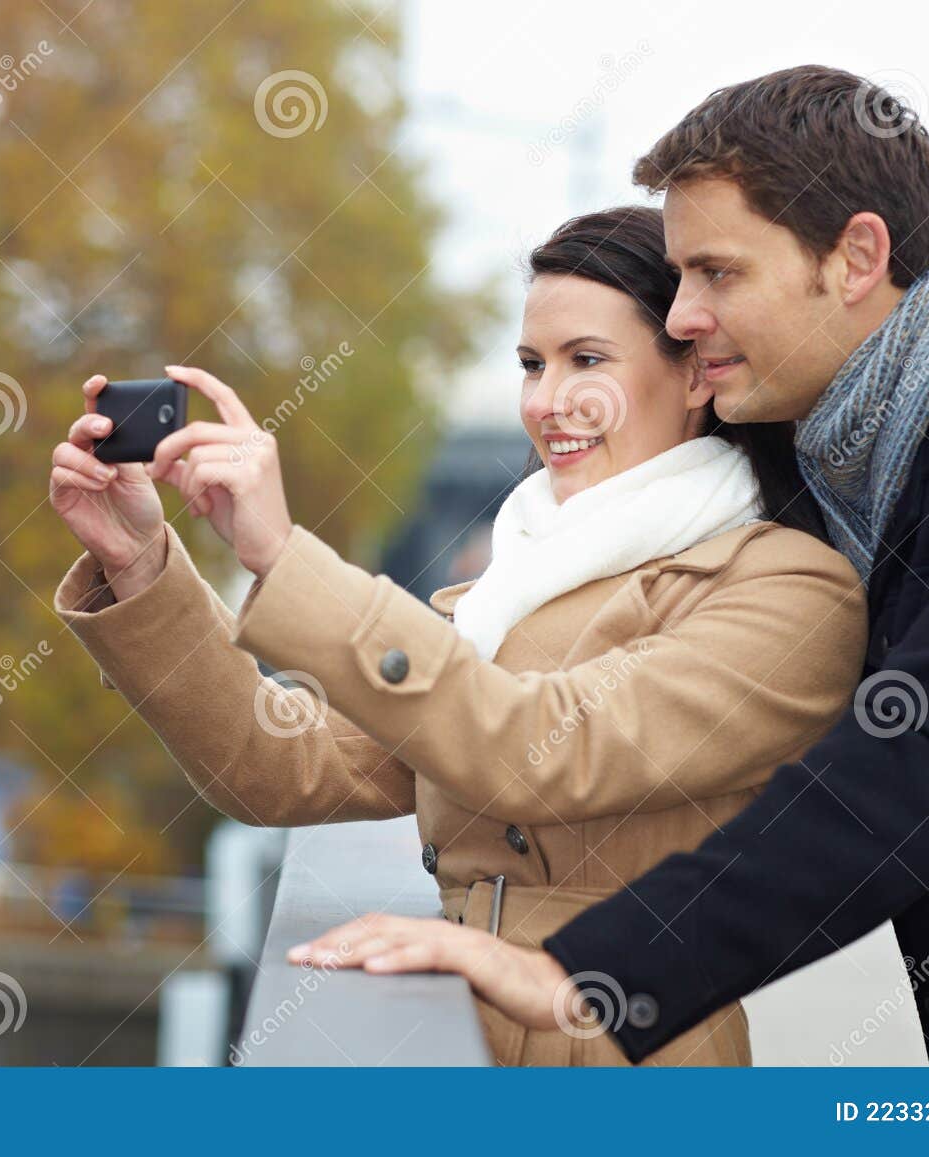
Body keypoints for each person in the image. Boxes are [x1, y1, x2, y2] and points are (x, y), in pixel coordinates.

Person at [296, 65, 929, 1066]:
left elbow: (919, 760)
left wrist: (586, 972)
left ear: (856, 257)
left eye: (718, 273)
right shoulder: (843, 449)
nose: (681, 315)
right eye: (679, 276)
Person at [49, 206, 868, 1065]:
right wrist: (143, 565)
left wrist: (283, 556)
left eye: (587, 360)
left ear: (696, 373)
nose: (545, 402)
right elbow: (275, 764)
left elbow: (538, 748)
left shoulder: (790, 590)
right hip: (454, 1046)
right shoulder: (510, 586)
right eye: (531, 365)